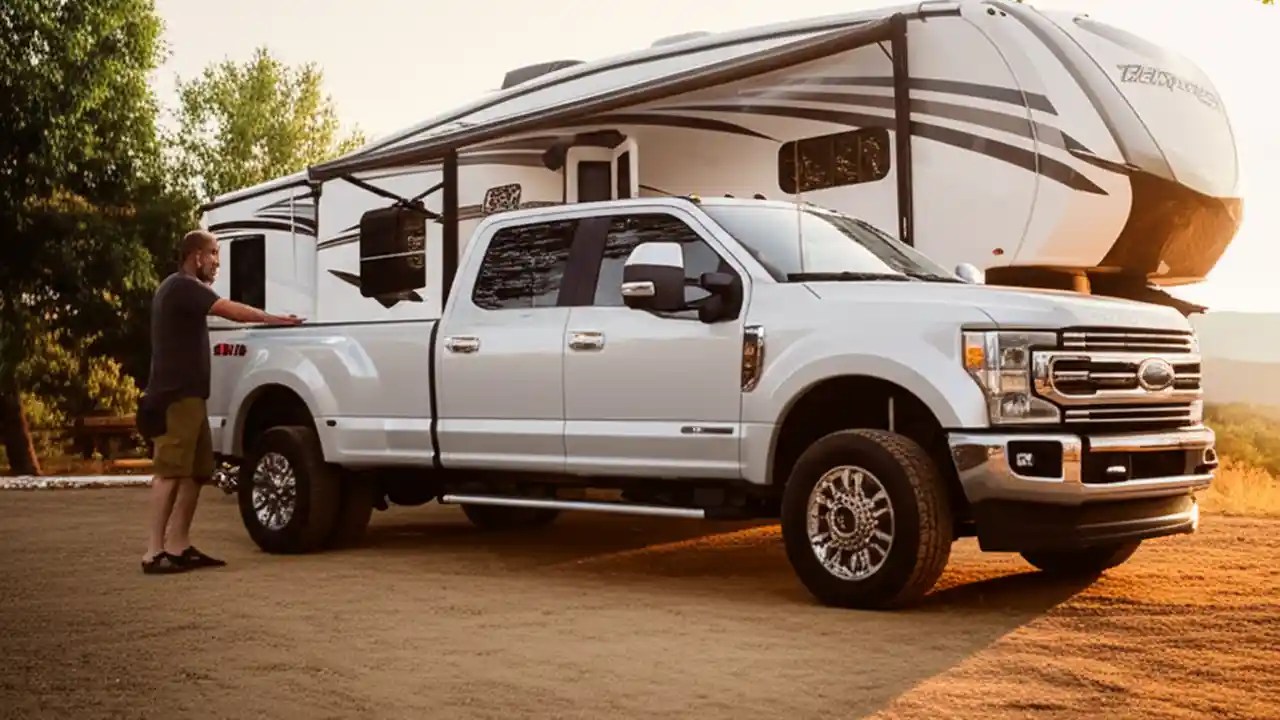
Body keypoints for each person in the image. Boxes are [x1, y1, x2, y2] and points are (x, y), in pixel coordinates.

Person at [139, 229, 302, 574]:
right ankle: (153, 552)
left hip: (192, 398)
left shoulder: (183, 289)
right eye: (213, 255)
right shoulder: (182, 286)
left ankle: (178, 545)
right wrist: (277, 319)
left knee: (196, 473)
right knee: (169, 473)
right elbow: (232, 311)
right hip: (174, 397)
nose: (216, 264)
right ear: (196, 256)